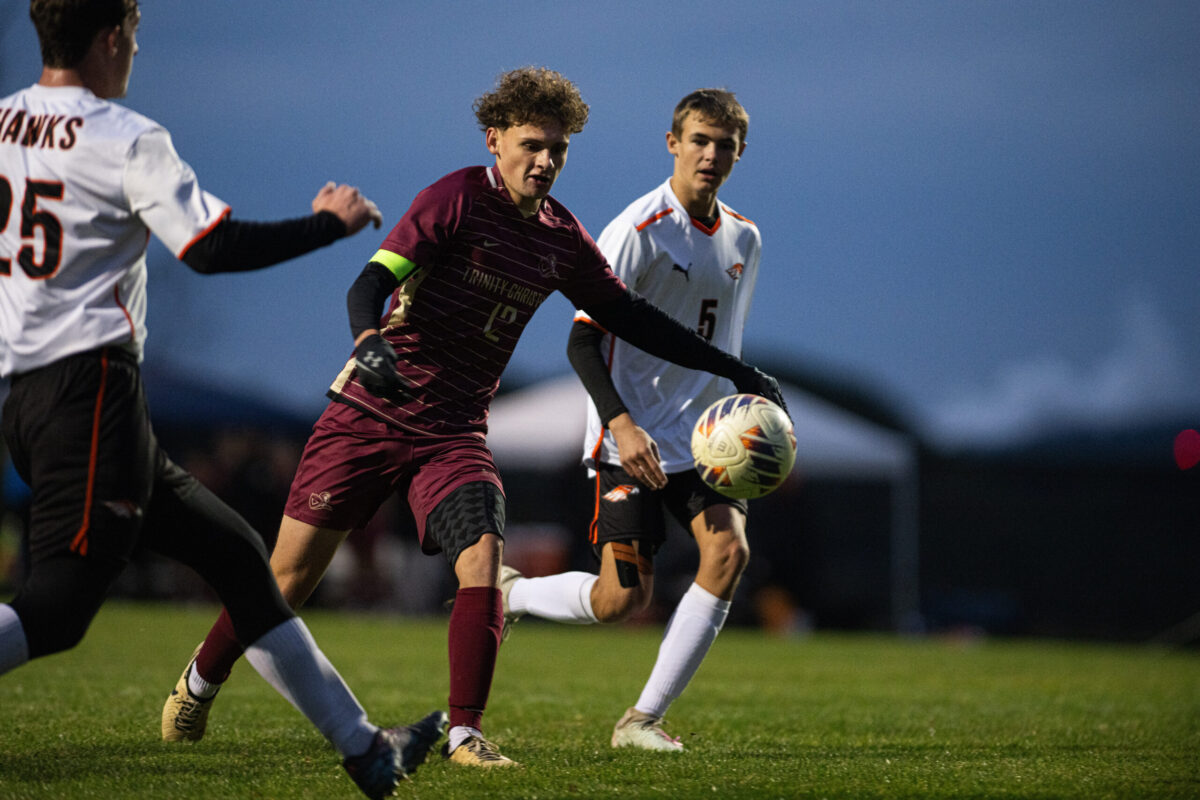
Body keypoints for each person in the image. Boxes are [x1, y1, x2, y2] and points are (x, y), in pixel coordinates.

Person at [159, 67, 786, 768]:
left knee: (484, 561)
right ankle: (199, 680)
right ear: (495, 140)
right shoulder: (453, 198)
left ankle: (465, 735)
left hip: (454, 431)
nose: (545, 161)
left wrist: (736, 371)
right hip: (370, 412)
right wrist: (368, 342)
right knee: (287, 580)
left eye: (559, 149)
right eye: (531, 145)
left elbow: (631, 318)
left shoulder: (560, 235)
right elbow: (371, 282)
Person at [0, 3, 446, 797]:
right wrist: (325, 223)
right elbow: (207, 248)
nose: (134, 49)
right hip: (89, 391)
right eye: (133, 35)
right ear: (111, 37)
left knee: (238, 555)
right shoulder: (125, 136)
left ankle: (366, 752)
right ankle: (365, 749)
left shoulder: (3, 124)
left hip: (29, 396)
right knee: (58, 609)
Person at [500, 89, 765, 752]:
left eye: (724, 144)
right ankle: (513, 594)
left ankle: (641, 720)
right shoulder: (637, 230)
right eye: (699, 140)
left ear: (738, 153)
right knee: (625, 599)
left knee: (728, 553)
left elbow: (724, 346)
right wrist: (619, 424)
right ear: (672, 143)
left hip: (706, 440)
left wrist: (745, 408)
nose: (710, 154)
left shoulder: (745, 238)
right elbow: (581, 341)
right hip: (632, 436)